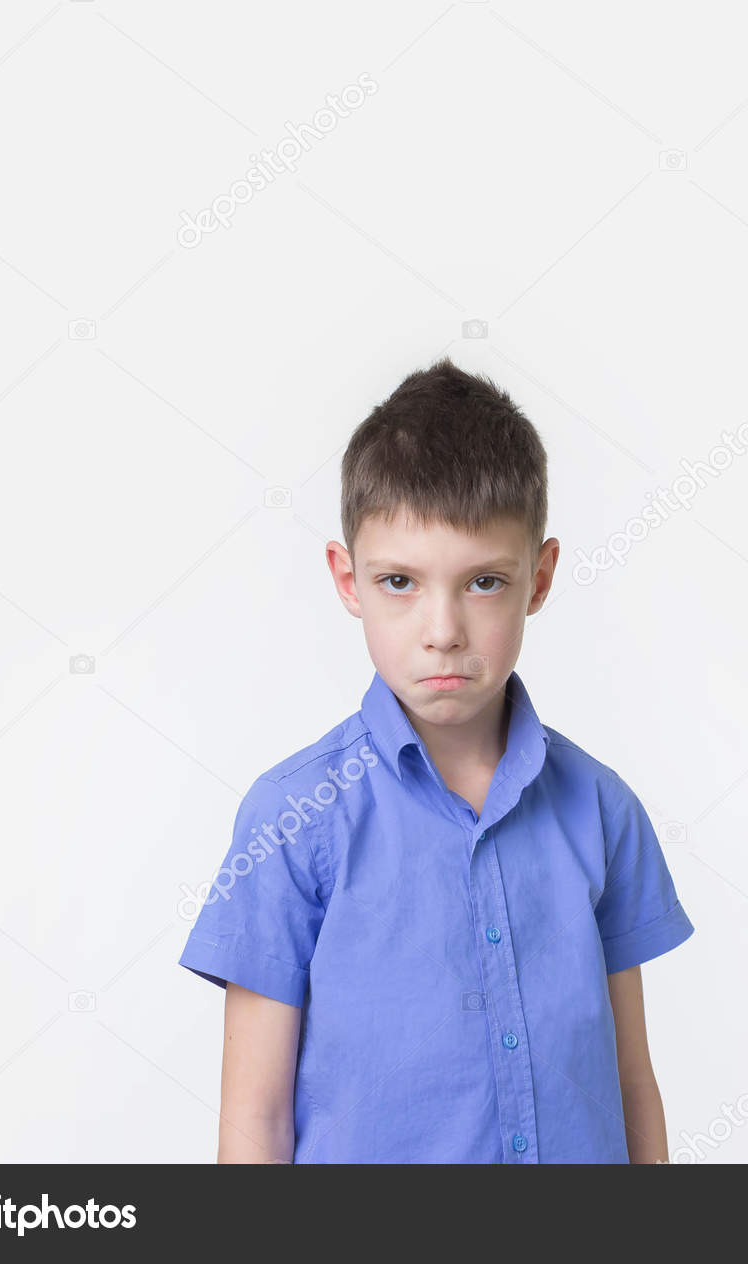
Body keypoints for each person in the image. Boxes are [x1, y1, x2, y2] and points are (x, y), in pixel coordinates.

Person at [178, 356, 695, 1162]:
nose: (443, 629)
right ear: (347, 580)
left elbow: (630, 1083)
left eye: (484, 581)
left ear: (541, 577)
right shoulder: (293, 817)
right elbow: (255, 1119)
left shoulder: (599, 809)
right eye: (399, 582)